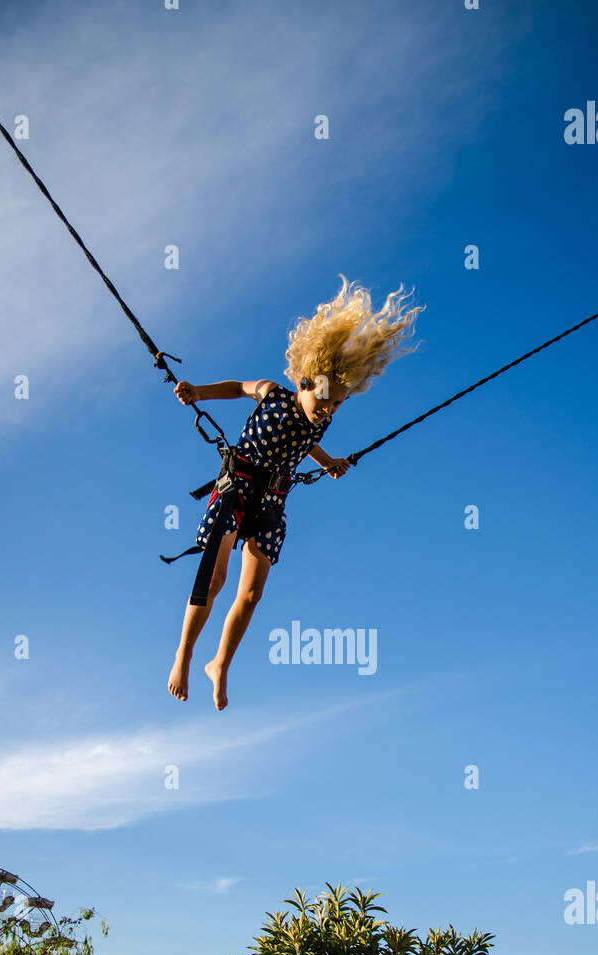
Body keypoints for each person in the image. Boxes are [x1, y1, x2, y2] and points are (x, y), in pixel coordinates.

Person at [167, 277, 421, 709]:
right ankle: (184, 654)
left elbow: (306, 442)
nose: (328, 409)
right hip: (237, 487)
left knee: (250, 594)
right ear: (305, 382)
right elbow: (236, 388)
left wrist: (329, 463)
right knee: (216, 576)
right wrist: (197, 393)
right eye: (324, 399)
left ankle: (220, 663)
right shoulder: (273, 394)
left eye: (337, 404)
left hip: (272, 502)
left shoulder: (321, 420)